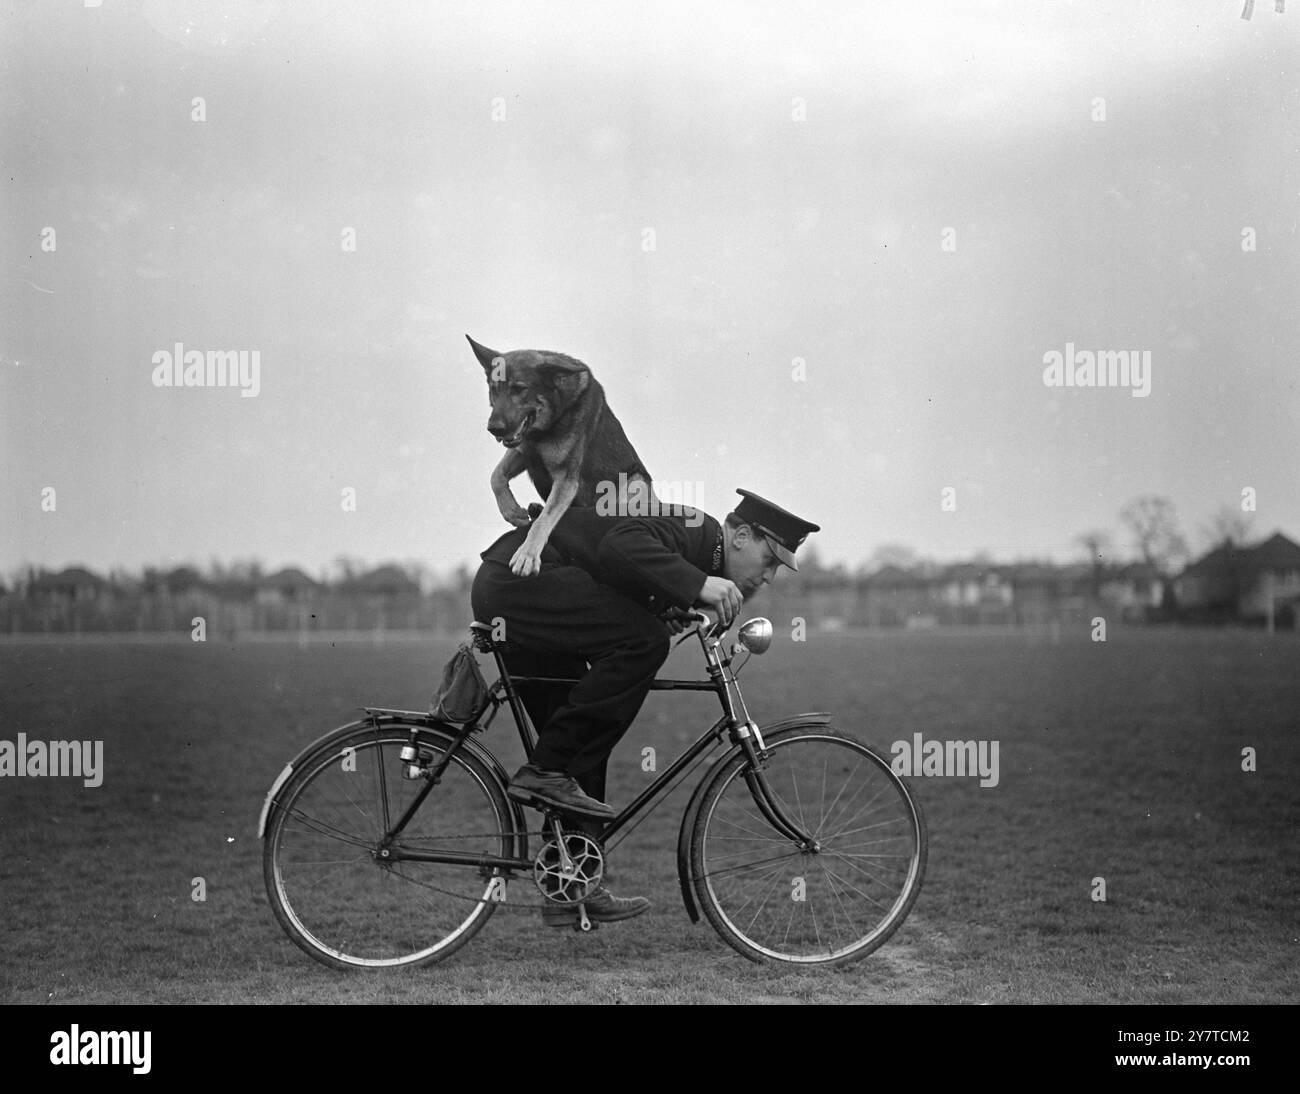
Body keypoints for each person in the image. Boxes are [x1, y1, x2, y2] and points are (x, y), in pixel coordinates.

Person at [470, 488, 819, 926]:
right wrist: (695, 585)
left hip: (523, 592)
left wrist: (670, 603)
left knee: (582, 744)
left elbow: (615, 572)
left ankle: (571, 883)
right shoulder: (695, 530)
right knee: (641, 643)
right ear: (741, 536)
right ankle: (542, 773)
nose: (768, 578)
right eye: (769, 561)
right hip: (521, 580)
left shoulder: (697, 554)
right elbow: (620, 546)